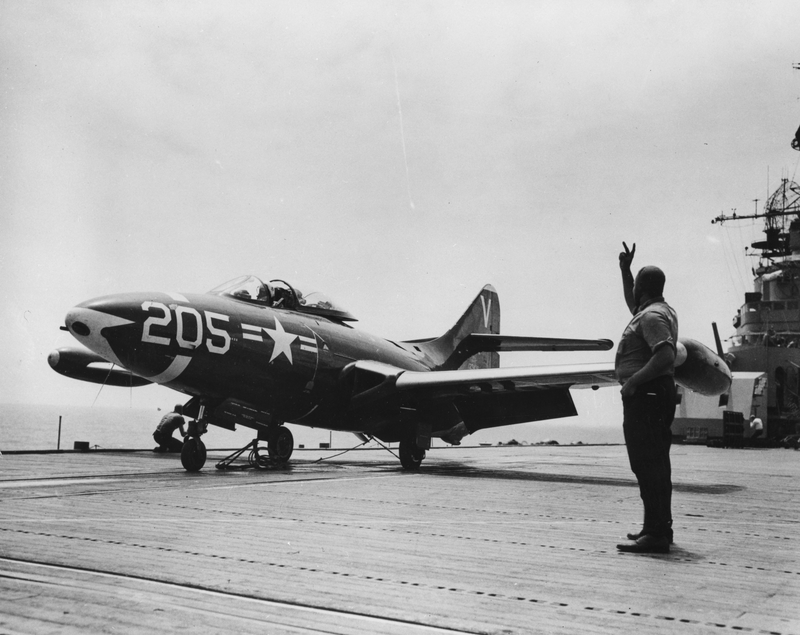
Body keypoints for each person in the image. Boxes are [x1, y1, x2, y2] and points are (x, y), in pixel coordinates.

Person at [615, 242, 678, 554]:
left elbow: (665, 356)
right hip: (655, 394)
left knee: (647, 464)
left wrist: (633, 383)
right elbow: (633, 303)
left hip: (646, 395)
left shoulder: (652, 317)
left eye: (636, 283)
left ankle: (655, 534)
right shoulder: (655, 311)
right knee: (655, 463)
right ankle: (657, 528)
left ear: (643, 288)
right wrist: (626, 271)